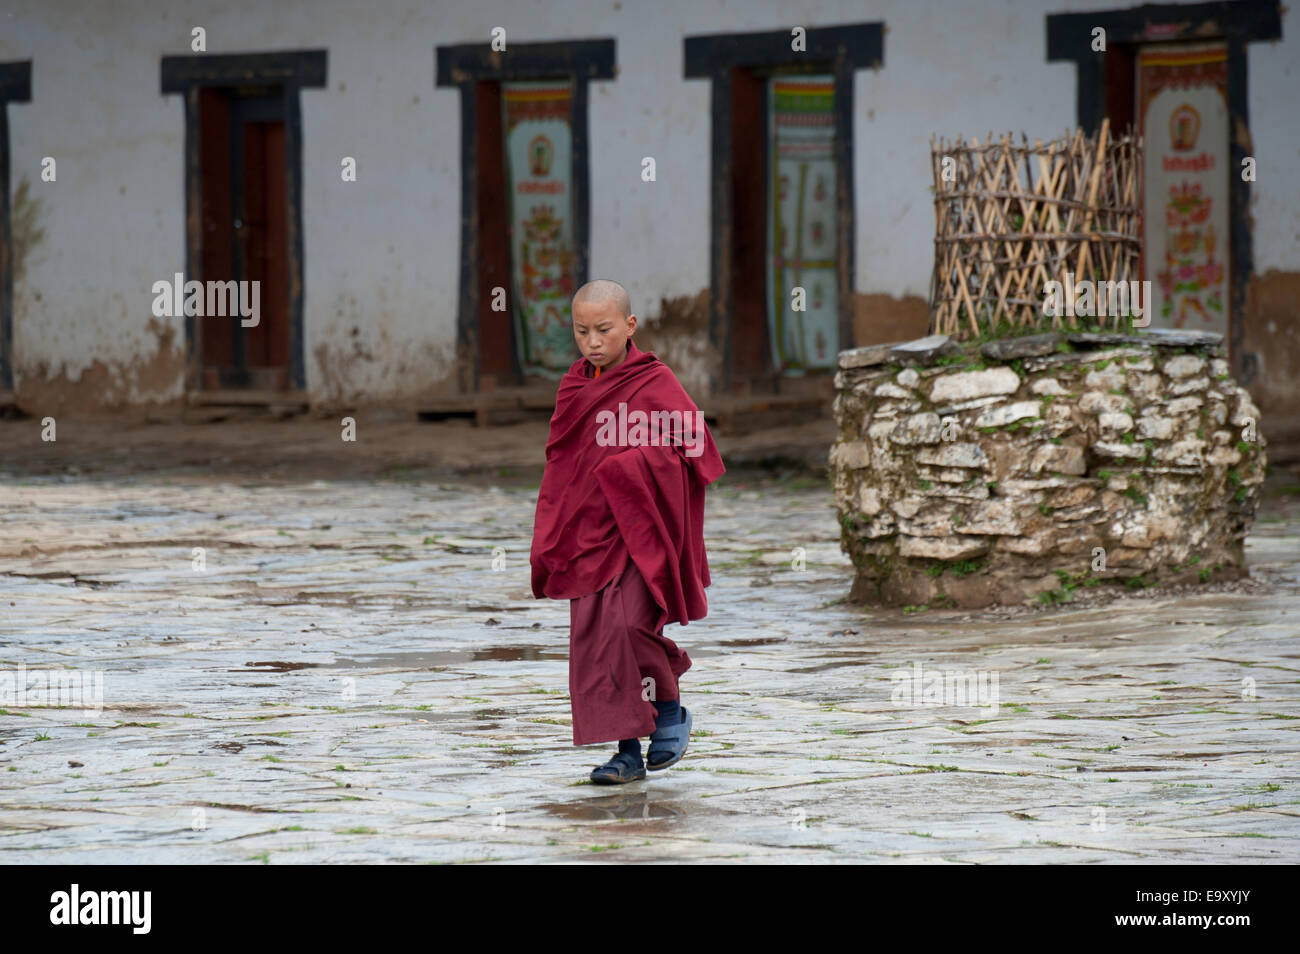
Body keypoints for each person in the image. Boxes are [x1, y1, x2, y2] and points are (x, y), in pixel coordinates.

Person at [530, 279, 725, 783]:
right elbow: (563, 464)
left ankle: (670, 707)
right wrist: (556, 532)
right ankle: (625, 753)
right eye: (581, 331)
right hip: (590, 535)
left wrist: (634, 466)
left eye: (603, 329)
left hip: (643, 531)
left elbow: (696, 446)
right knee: (599, 641)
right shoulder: (574, 388)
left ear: (630, 326)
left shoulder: (653, 379)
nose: (592, 341)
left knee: (633, 627)